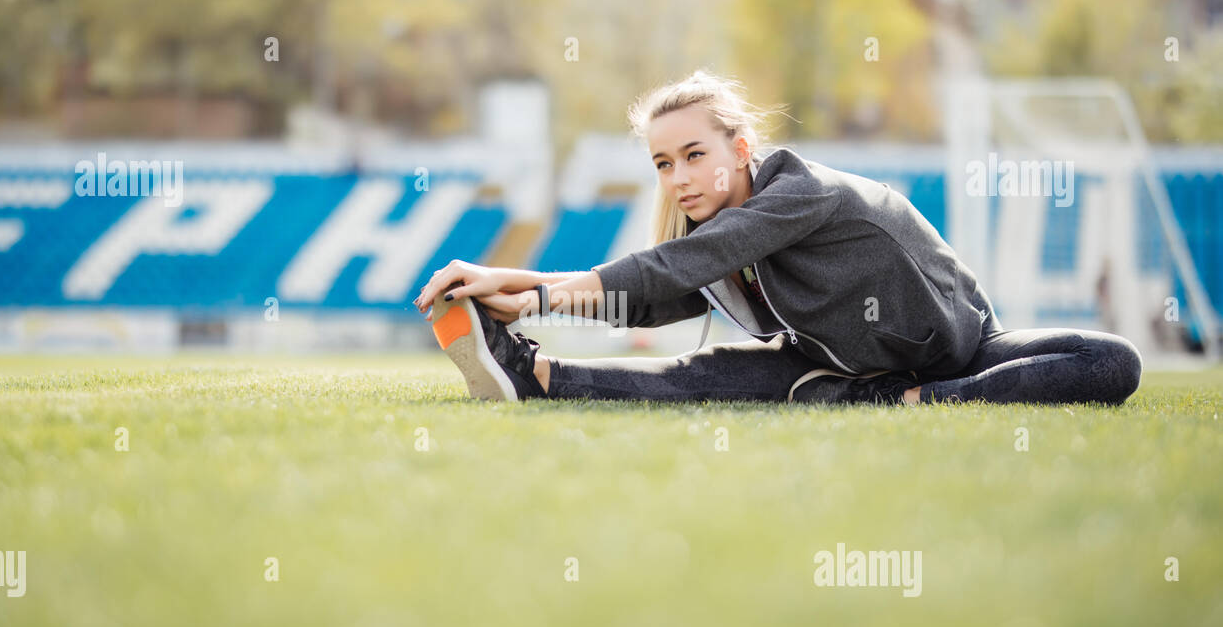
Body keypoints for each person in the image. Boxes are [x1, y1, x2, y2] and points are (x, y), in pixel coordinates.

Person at [412, 69, 1142, 407]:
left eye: (694, 155)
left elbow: (674, 264)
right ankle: (531, 375)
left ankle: (912, 401)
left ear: (740, 148)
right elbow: (652, 300)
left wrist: (532, 290)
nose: (679, 178)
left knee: (1110, 360)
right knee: (695, 379)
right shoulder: (715, 232)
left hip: (963, 352)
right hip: (824, 367)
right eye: (663, 164)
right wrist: (507, 291)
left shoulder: (800, 192)